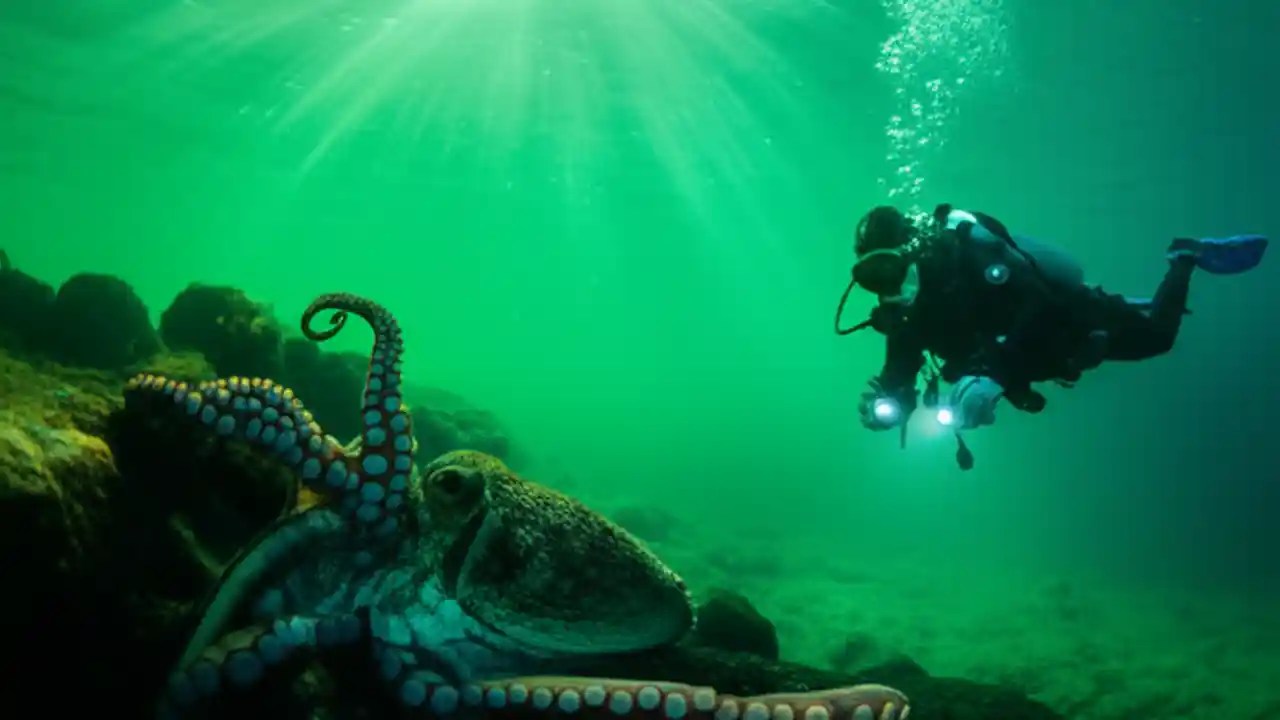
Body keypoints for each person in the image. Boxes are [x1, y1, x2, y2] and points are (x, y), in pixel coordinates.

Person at [835, 203, 1268, 435]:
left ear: (911, 250)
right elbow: (899, 377)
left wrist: (994, 375)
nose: (885, 287)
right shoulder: (907, 314)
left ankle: (1184, 256)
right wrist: (884, 410)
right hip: (1024, 364)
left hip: (1070, 324)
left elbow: (1040, 303)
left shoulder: (968, 257)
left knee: (1158, 337)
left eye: (887, 269)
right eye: (869, 277)